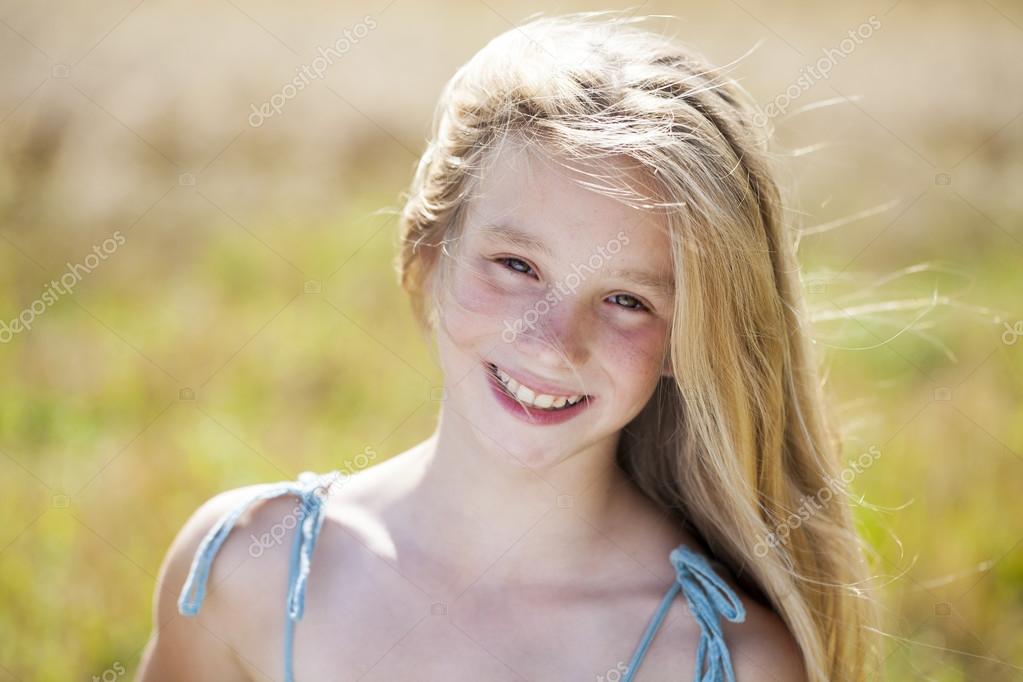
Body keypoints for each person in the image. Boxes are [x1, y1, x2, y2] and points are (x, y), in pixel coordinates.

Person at [139, 11, 878, 681]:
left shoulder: (718, 661)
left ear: (690, 341)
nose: (554, 344)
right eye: (518, 267)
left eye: (627, 300)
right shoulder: (246, 571)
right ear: (429, 255)